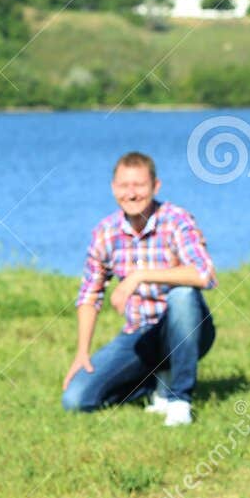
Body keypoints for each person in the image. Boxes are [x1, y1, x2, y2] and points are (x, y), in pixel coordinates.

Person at [61, 151, 217, 426]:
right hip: (138, 335)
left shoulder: (176, 220)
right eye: (124, 186)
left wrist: (140, 275)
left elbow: (204, 274)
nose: (131, 194)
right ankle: (154, 383)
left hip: (188, 329)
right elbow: (90, 294)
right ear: (113, 188)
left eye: (139, 186)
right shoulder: (105, 232)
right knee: (75, 400)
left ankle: (179, 400)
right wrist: (82, 353)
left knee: (183, 294)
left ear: (155, 186)